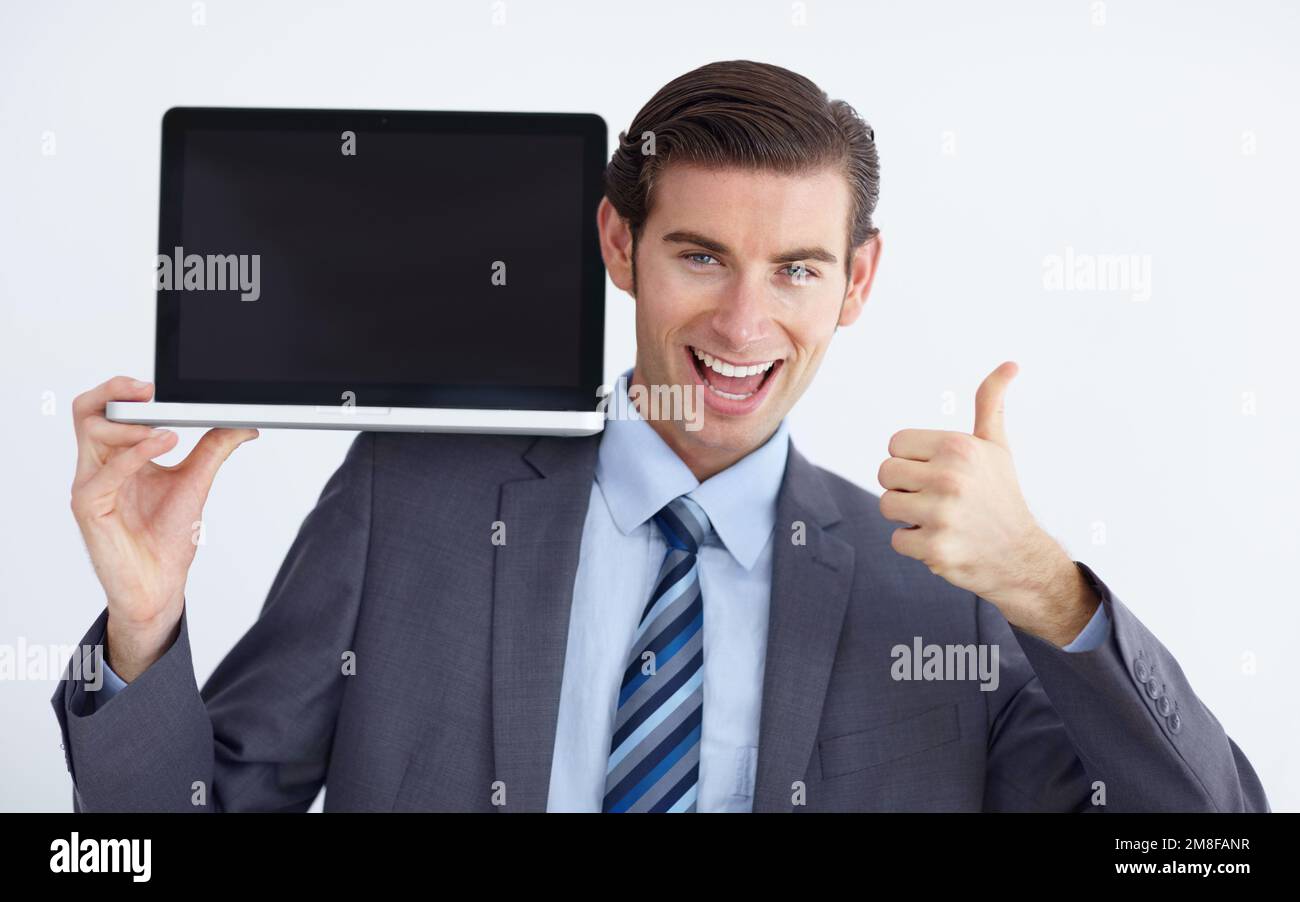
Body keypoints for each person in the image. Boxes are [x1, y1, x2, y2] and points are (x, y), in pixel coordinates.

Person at [53, 60, 1269, 813]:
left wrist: (1051, 595)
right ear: (618, 245)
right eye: (699, 255)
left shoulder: (940, 588)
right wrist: (144, 628)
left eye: (795, 268)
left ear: (857, 281)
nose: (745, 323)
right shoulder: (407, 499)